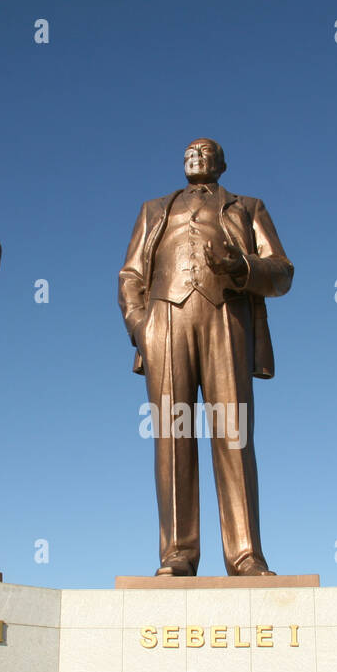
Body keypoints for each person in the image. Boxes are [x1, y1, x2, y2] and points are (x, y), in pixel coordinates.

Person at [119, 138, 293, 576]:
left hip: (226, 318)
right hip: (166, 322)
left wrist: (242, 268)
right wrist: (142, 326)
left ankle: (245, 553)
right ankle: (177, 551)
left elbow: (283, 271)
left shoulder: (247, 206)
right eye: (189, 151)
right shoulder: (153, 208)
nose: (196, 155)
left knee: (232, 433)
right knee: (173, 436)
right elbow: (131, 275)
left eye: (206, 150)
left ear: (223, 162)